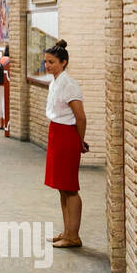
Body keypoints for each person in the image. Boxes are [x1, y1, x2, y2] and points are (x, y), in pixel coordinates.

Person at [42, 40, 87, 248]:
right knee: (61, 187)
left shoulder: (69, 84)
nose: (47, 66)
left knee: (70, 188)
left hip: (67, 136)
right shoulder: (55, 82)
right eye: (46, 62)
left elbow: (80, 117)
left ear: (63, 62)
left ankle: (74, 235)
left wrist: (79, 141)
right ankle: (67, 230)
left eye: (51, 62)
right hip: (56, 134)